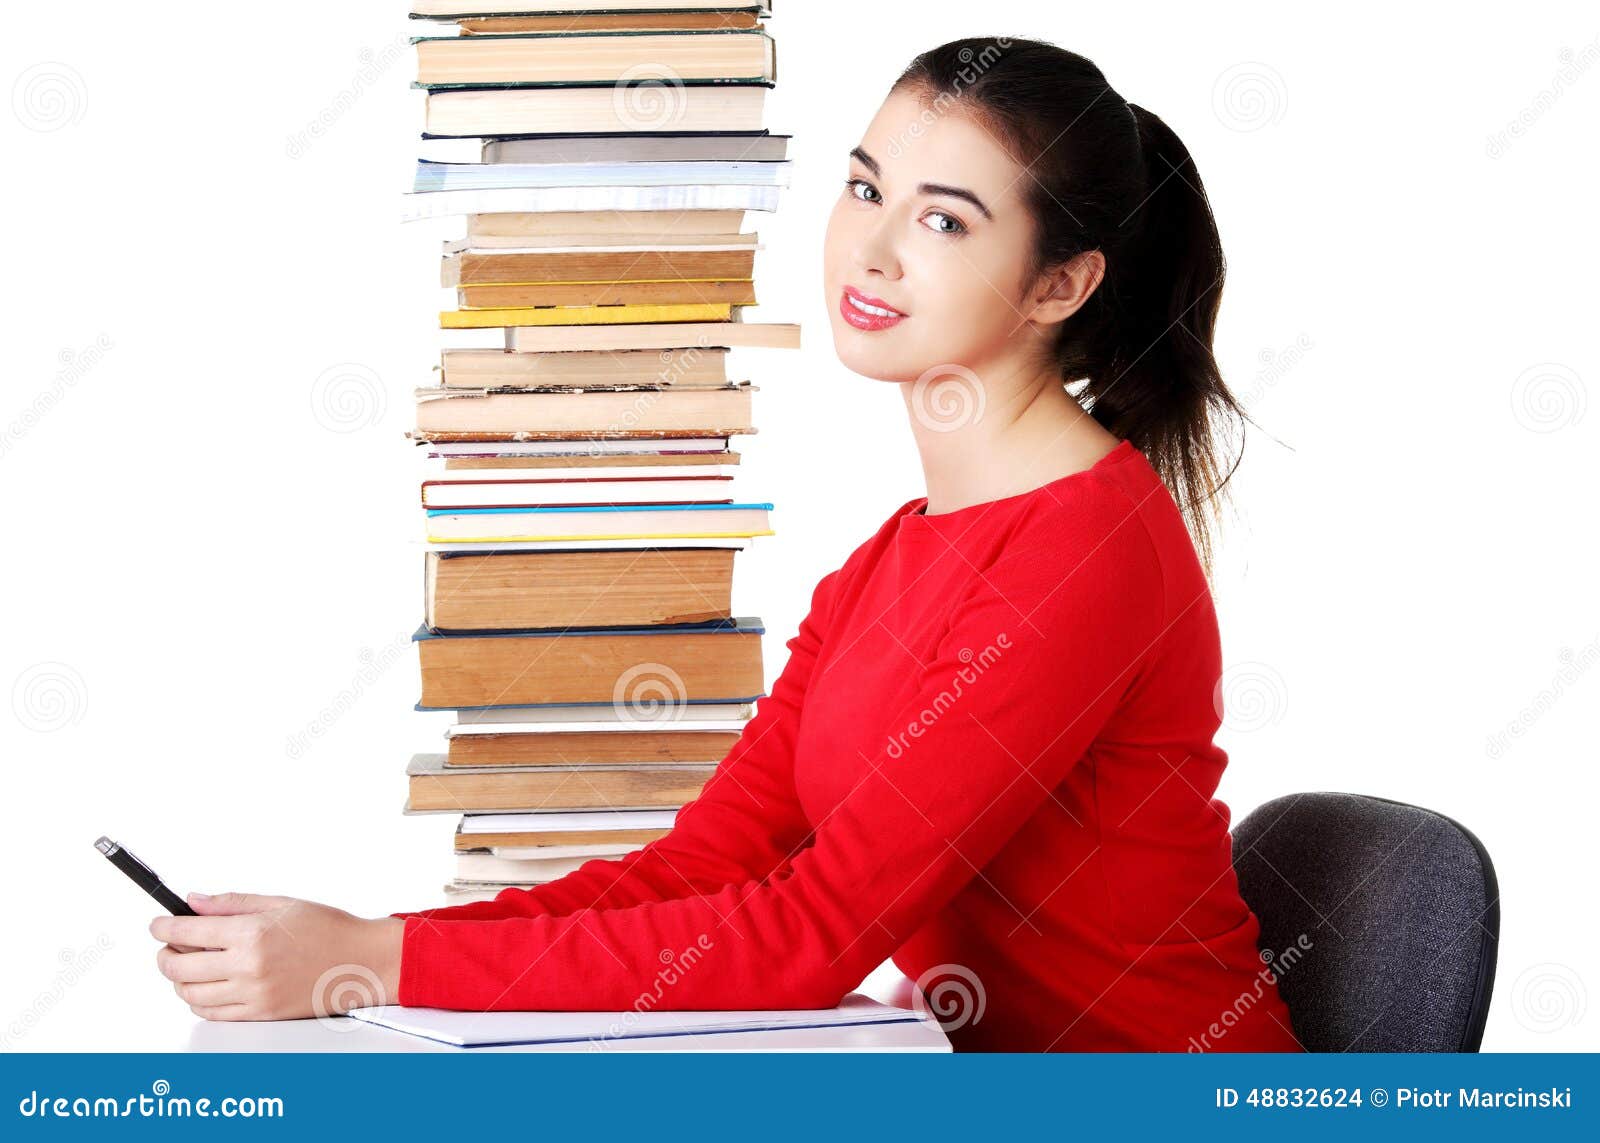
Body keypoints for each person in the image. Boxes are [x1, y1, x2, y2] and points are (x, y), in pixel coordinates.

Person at [150, 37, 1301, 1052]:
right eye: (864, 188)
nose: (873, 250)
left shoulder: (1084, 556)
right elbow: (704, 870)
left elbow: (812, 939)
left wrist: (372, 964)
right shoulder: (891, 559)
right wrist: (360, 947)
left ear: (1060, 283)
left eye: (943, 219)